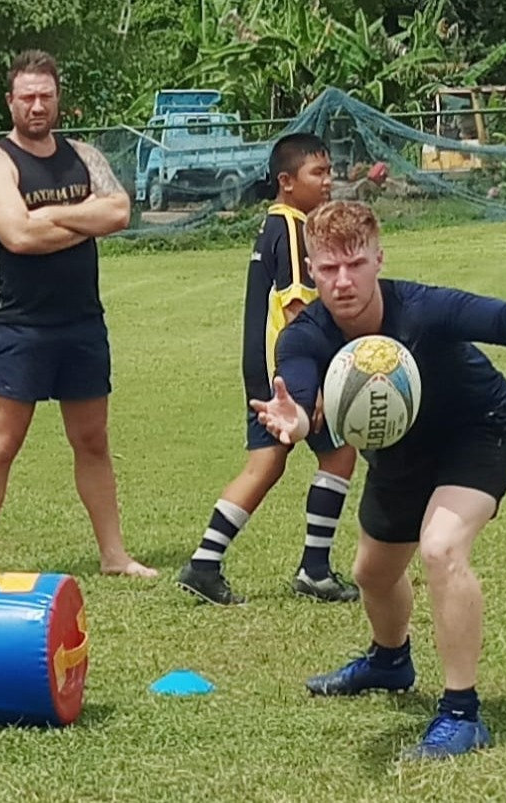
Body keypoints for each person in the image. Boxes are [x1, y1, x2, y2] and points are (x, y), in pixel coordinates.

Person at [251, 200, 506, 759]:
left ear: (378, 259)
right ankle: (390, 661)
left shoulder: (420, 307)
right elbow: (297, 395)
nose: (342, 281)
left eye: (355, 264)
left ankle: (462, 713)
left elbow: (502, 319)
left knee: (442, 549)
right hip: (400, 450)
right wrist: (294, 421)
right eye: (327, 268)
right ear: (311, 267)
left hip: (478, 429)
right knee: (371, 573)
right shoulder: (304, 336)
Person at [0, 49, 156, 578]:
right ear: (11, 102)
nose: (36, 105)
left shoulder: (83, 154)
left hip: (81, 322)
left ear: (58, 99)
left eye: (45, 95)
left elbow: (118, 212)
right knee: (2, 443)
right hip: (18, 324)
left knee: (93, 440)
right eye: (26, 96)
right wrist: (80, 219)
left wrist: (51, 213)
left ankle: (114, 556)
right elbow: (18, 236)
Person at [177, 134, 358, 605]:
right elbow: (298, 309)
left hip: (263, 366)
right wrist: (317, 382)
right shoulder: (295, 227)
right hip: (289, 368)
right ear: (286, 181)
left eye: (330, 171)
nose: (328, 181)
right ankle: (314, 570)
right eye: (318, 173)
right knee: (337, 455)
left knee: (267, 464)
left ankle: (205, 562)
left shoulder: (274, 225)